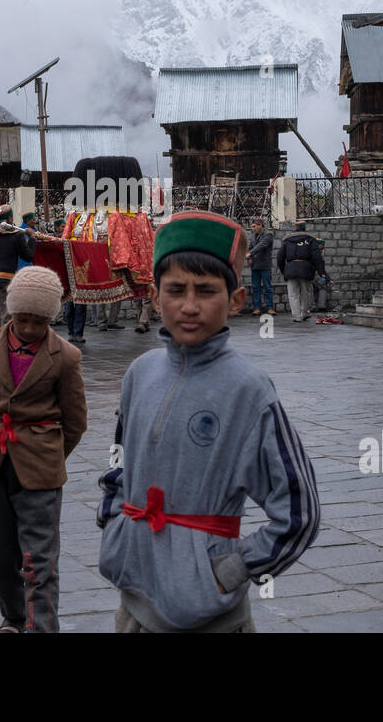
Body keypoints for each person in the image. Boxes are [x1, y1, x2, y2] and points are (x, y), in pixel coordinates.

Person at [96, 211, 319, 632]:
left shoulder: (249, 390)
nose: (190, 306)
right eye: (176, 290)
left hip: (209, 612)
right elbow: (119, 459)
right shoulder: (138, 374)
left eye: (206, 291)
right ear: (155, 297)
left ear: (235, 300)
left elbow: (299, 511)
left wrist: (227, 570)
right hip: (133, 602)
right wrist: (115, 526)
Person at [0, 266, 87, 633]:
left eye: (38, 321)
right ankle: (15, 615)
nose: (29, 329)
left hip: (40, 468)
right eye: (22, 319)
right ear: (10, 313)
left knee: (40, 560)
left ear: (50, 318)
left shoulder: (65, 357)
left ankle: (41, 627)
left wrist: (47, 452)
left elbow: (76, 421)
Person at [276, 221, 325, 323]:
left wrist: (284, 270)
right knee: (305, 293)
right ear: (304, 228)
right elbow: (317, 257)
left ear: (296, 228)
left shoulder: (287, 240)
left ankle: (297, 316)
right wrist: (321, 272)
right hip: (305, 269)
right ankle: (304, 313)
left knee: (293, 294)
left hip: (290, 269)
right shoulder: (310, 240)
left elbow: (280, 258)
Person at [246, 218, 274, 317]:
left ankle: (270, 307)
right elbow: (250, 247)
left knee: (267, 287)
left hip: (265, 265)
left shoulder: (268, 234)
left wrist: (250, 253)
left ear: (260, 225)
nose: (253, 229)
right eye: (252, 227)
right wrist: (249, 259)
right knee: (256, 287)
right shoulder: (253, 235)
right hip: (255, 265)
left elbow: (261, 246)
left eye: (254, 226)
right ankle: (257, 308)